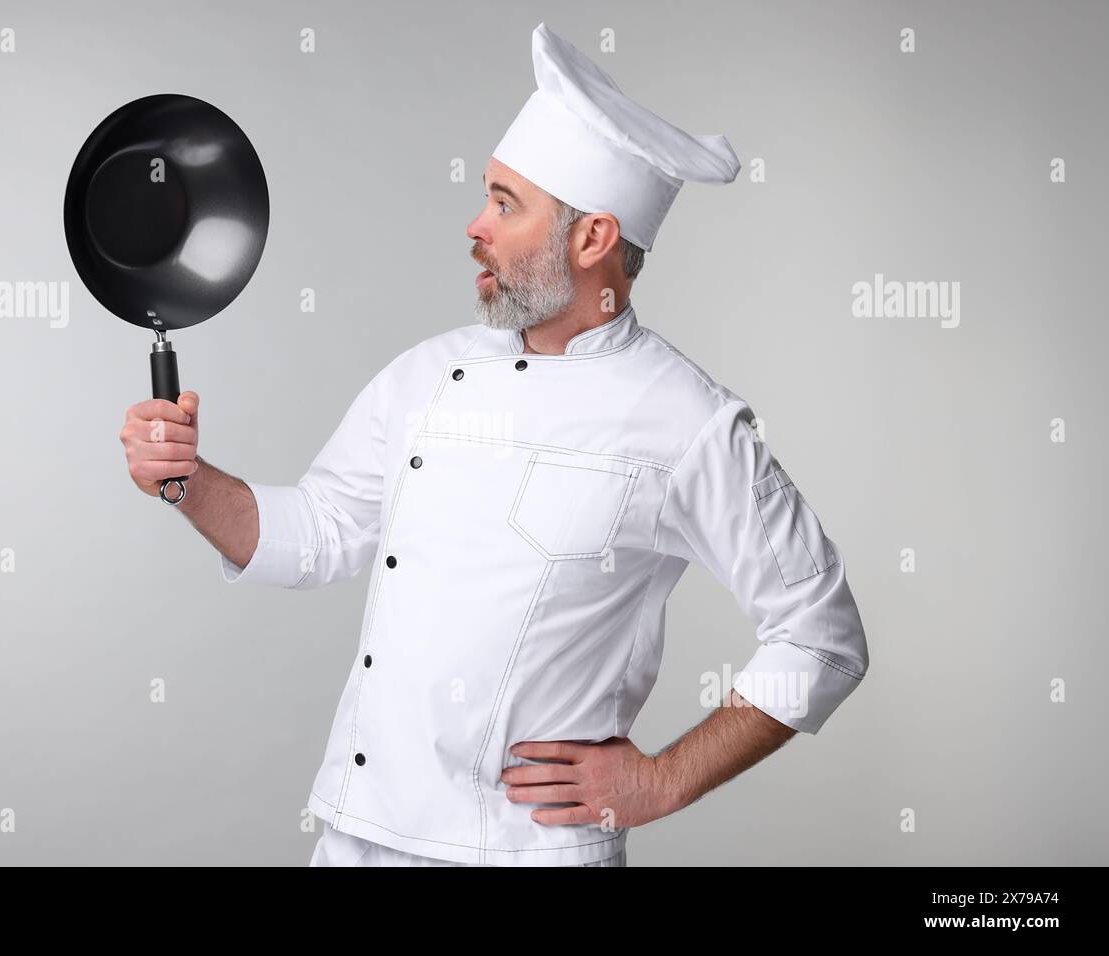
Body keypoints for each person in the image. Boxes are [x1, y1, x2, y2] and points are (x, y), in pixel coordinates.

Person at [119, 22, 868, 867]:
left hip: (526, 855)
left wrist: (663, 781)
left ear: (591, 240)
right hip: (355, 835)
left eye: (505, 204)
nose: (474, 224)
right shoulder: (427, 374)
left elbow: (820, 635)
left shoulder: (689, 423)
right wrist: (188, 482)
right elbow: (319, 532)